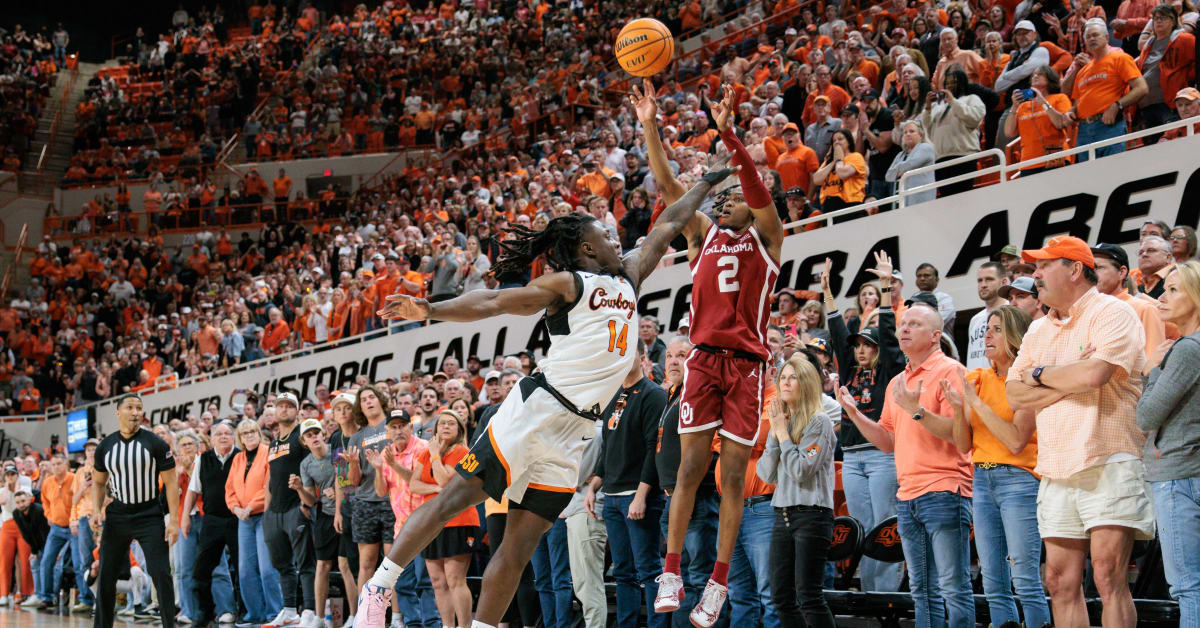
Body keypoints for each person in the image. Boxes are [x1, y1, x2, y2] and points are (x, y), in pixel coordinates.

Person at [356, 163, 737, 628]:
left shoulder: (630, 275)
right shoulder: (567, 285)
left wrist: (706, 182)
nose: (617, 240)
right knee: (453, 500)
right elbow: (495, 302)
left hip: (576, 430)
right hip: (536, 410)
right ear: (584, 247)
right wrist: (430, 309)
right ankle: (378, 587)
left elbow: (670, 222)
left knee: (519, 546)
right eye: (606, 235)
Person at [652, 84, 786, 628]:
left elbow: (759, 194)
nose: (720, 201)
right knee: (688, 469)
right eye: (719, 198)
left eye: (729, 198)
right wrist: (648, 124)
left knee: (732, 479)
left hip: (748, 367)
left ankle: (719, 582)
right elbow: (668, 185)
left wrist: (731, 137)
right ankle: (672, 570)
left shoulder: (768, 238)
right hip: (704, 359)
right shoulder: (703, 236)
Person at [1007, 236, 1154, 627]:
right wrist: (1060, 374)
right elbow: (1015, 394)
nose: (1034, 275)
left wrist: (1039, 375)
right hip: (1056, 467)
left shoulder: (1113, 313)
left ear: (1074, 270)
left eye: (1044, 265)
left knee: (1108, 575)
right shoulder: (1037, 329)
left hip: (1109, 458)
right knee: (1058, 581)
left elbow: (1094, 375)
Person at [837, 302, 975, 628]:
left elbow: (960, 435)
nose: (904, 329)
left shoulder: (951, 372)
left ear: (936, 335)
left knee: (953, 586)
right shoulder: (897, 381)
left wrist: (917, 411)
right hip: (907, 495)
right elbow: (887, 441)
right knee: (921, 588)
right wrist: (855, 414)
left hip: (945, 490)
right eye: (903, 325)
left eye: (914, 324)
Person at [943, 305, 1050, 628]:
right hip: (981, 476)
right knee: (992, 579)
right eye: (987, 328)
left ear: (1016, 336)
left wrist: (975, 404)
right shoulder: (977, 378)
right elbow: (963, 445)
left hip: (1020, 479)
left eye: (997, 329)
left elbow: (1016, 441)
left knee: (1024, 577)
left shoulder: (1028, 380)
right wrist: (961, 407)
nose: (987, 335)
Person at [822, 254, 904, 593]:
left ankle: (886, 595)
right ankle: (871, 592)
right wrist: (826, 292)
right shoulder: (850, 369)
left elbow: (887, 334)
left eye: (867, 345)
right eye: (858, 345)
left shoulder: (888, 371)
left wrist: (885, 289)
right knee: (864, 526)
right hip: (853, 458)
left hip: (882, 455)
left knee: (885, 527)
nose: (860, 350)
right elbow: (839, 331)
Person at [585, 346, 668, 628]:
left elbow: (652, 449)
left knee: (649, 569)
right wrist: (594, 484)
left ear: (642, 358)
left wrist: (642, 495)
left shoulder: (654, 394)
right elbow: (609, 446)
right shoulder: (614, 395)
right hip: (612, 496)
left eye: (628, 353)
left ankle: (659, 625)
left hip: (637, 495)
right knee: (623, 572)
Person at [1137, 260, 1200, 626]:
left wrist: (1151, 370)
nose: (1162, 296)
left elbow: (1146, 417)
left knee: (1188, 586)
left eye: (1174, 290)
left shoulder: (1186, 350)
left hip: (1179, 476)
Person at [757, 355, 837, 627]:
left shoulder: (820, 422)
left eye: (793, 377)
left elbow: (802, 471)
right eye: (783, 377)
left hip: (812, 516)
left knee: (809, 596)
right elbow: (765, 473)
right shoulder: (781, 422)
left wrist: (783, 435)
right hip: (782, 515)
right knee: (781, 598)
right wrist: (778, 433)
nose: (786, 382)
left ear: (807, 382)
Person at [90, 394, 180, 628]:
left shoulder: (156, 444)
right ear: (118, 412)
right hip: (118, 515)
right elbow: (98, 482)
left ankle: (170, 624)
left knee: (161, 573)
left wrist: (174, 521)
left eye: (139, 408)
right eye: (129, 407)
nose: (135, 412)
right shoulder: (106, 446)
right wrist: (96, 511)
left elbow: (171, 482)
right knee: (107, 575)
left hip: (149, 513)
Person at [654, 337, 721, 628]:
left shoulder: (700, 395)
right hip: (672, 499)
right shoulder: (673, 395)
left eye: (681, 355)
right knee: (678, 580)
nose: (672, 361)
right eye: (669, 355)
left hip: (697, 499)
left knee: (696, 577)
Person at [405, 410, 479, 628]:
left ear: (459, 430)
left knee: (455, 579)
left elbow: (445, 480)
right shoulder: (426, 453)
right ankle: (447, 626)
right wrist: (436, 488)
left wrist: (436, 455)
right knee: (437, 582)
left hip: (460, 521)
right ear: (435, 428)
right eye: (442, 423)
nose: (446, 427)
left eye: (451, 424)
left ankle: (464, 626)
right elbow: (413, 485)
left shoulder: (463, 451)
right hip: (433, 522)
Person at [367, 409, 439, 628]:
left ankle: (432, 623)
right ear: (388, 430)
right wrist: (379, 469)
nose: (398, 430)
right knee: (402, 581)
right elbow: (380, 492)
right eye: (394, 427)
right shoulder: (387, 453)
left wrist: (394, 465)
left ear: (410, 427)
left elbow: (417, 484)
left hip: (425, 524)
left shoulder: (423, 449)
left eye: (402, 426)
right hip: (401, 528)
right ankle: (413, 623)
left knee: (425, 580)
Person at [263, 392, 318, 628]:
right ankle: (288, 610)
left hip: (297, 507)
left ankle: (309, 610)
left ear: (297, 411)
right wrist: (266, 512)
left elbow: (312, 470)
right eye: (280, 406)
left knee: (305, 563)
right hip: (274, 512)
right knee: (282, 565)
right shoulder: (274, 442)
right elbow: (270, 480)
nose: (284, 409)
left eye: (289, 406)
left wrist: (306, 502)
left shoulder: (301, 438)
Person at [1063, 20, 1148, 161]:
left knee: (1113, 173)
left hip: (1109, 125)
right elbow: (1078, 103)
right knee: (1089, 179)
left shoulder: (1120, 58)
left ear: (1107, 38)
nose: (1091, 39)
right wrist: (1071, 112)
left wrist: (1117, 105)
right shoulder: (1082, 70)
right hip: (1084, 130)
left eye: (1095, 35)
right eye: (1088, 37)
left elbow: (1142, 88)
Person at [182, 420, 240, 627]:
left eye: (227, 433)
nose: (223, 437)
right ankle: (205, 613)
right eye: (219, 433)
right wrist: (185, 516)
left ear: (234, 436)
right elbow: (193, 489)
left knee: (243, 569)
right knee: (201, 570)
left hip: (237, 518)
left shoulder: (241, 456)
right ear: (212, 437)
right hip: (212, 519)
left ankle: (242, 612)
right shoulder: (203, 459)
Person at [227, 418, 283, 626]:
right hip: (243, 519)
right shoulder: (238, 459)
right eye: (244, 433)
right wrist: (236, 508)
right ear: (240, 438)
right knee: (245, 569)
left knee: (268, 568)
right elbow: (230, 489)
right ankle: (255, 614)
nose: (249, 435)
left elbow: (269, 486)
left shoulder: (268, 452)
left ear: (258, 433)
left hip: (263, 516)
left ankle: (274, 614)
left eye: (252, 431)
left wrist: (250, 507)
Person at [294, 418, 338, 628]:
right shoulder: (306, 464)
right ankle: (319, 618)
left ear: (323, 434)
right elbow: (310, 500)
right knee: (322, 565)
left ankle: (356, 615)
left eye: (317, 433)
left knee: (348, 566)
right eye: (309, 435)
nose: (314, 437)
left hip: (346, 511)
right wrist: (299, 489)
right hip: (323, 515)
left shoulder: (337, 451)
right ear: (304, 441)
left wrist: (338, 492)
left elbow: (355, 480)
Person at [1092, 243, 1168, 361]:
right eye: (1089, 269)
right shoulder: (1085, 310)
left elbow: (1153, 364)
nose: (1091, 274)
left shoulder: (1144, 309)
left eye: (1099, 268)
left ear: (1122, 272)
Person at [920, 67, 986, 197]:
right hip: (941, 160)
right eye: (947, 83)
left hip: (964, 156)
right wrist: (927, 107)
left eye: (954, 82)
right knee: (947, 201)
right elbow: (926, 126)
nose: (950, 86)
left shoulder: (971, 99)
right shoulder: (938, 106)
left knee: (964, 198)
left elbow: (974, 118)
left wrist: (953, 101)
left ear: (962, 83)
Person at [1005, 65, 1072, 174]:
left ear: (1050, 78)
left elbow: (1061, 123)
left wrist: (1044, 103)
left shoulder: (1060, 98)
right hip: (1028, 162)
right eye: (1033, 75)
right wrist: (1014, 107)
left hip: (1054, 157)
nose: (1035, 77)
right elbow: (1009, 132)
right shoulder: (1023, 106)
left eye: (1040, 74)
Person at [33, 454, 74, 609]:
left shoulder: (74, 478)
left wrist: (75, 519)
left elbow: (80, 499)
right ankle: (47, 597)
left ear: (66, 464)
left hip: (73, 527)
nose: (56, 467)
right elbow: (45, 501)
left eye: (59, 463)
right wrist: (49, 515)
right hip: (56, 527)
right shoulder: (48, 482)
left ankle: (86, 599)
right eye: (54, 464)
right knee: (46, 562)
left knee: (79, 563)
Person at [812, 130, 869, 222]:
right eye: (834, 141)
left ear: (849, 142)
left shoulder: (856, 157)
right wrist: (833, 162)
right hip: (828, 207)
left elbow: (842, 174)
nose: (836, 142)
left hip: (850, 205)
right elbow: (816, 180)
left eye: (840, 139)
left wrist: (838, 160)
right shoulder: (828, 162)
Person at [0, 464, 34, 604]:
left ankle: (26, 592)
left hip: (22, 525)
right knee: (5, 562)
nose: (10, 477)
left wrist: (17, 486)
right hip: (7, 525)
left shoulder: (25, 488)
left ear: (17, 475)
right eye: (7, 475)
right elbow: (3, 501)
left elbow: (24, 501)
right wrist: (8, 486)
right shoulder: (2, 490)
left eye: (12, 474)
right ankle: (4, 594)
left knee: (25, 560)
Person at [966, 262, 1010, 369]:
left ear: (1003, 282)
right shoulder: (975, 320)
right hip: (974, 381)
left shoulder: (1011, 312)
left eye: (989, 279)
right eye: (980, 280)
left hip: (1000, 381)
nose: (983, 284)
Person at [885, 121, 936, 207]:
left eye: (912, 131)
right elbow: (888, 176)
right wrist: (901, 170)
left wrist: (897, 169)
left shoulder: (925, 147)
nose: (908, 134)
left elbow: (911, 163)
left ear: (921, 135)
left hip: (921, 198)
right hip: (901, 200)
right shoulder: (900, 154)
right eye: (905, 132)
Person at [914, 263, 956, 334]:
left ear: (937, 279)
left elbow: (935, 324)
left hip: (942, 343)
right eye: (919, 276)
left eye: (926, 275)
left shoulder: (945, 299)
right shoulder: (913, 300)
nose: (922, 278)